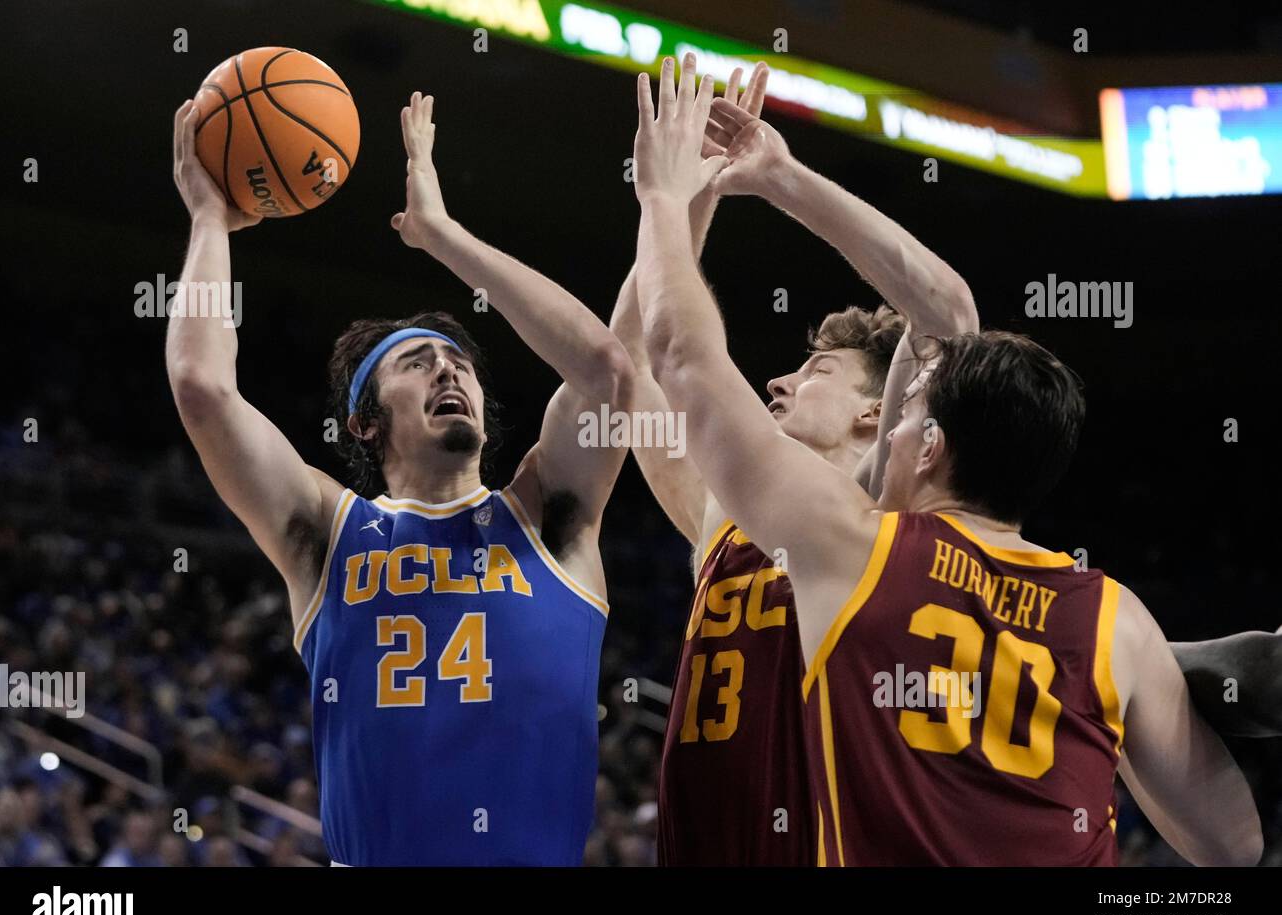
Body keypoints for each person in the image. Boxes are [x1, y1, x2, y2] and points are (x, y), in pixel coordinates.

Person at [631, 57, 1263, 865]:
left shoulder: (856, 540)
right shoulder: (1116, 618)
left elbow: (683, 354)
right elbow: (1235, 849)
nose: (780, 382)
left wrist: (668, 194)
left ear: (913, 434)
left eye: (904, 418)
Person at [167, 90, 633, 865]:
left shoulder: (550, 514)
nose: (449, 371)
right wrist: (210, 220)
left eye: (460, 364)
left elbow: (606, 370)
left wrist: (443, 237)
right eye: (419, 364)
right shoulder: (328, 531)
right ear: (365, 422)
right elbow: (202, 388)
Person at [612, 56, 976, 864]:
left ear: (873, 413)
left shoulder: (889, 500)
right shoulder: (723, 510)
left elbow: (947, 314)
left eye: (816, 372)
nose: (779, 379)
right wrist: (690, 196)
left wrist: (782, 177)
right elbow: (630, 367)